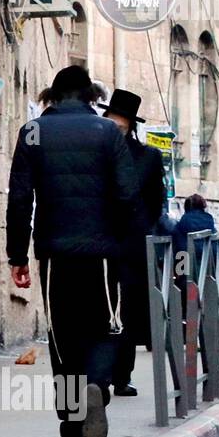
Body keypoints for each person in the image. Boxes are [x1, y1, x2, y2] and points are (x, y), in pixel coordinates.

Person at [6, 66, 138, 437]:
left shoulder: (33, 132)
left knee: (62, 338)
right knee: (102, 327)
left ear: (52, 95)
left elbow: (19, 198)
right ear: (90, 96)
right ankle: (97, 383)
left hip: (54, 252)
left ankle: (69, 427)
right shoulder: (108, 133)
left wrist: (18, 255)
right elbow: (128, 195)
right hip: (101, 253)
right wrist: (119, 243)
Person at [98, 90, 166, 398]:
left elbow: (155, 201)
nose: (116, 124)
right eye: (112, 118)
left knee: (128, 310)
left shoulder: (148, 157)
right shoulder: (96, 149)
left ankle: (121, 375)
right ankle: (99, 374)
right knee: (100, 307)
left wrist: (141, 226)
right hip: (99, 240)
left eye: (120, 120)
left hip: (132, 243)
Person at [174, 194, 216, 263]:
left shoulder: (181, 225)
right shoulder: (210, 225)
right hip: (209, 268)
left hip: (186, 268)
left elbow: (177, 249)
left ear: (186, 208)